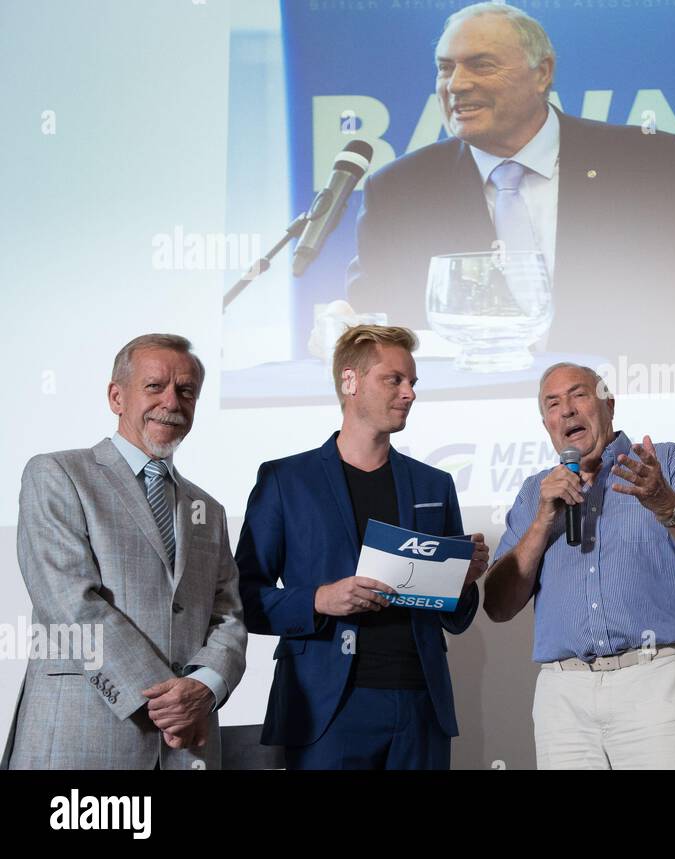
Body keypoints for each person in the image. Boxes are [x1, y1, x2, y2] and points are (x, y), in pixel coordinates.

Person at [344, 2, 675, 392]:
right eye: (445, 68)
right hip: (468, 438)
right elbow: (378, 344)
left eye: (481, 64)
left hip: (634, 431)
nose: (456, 84)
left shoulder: (650, 166)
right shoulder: (400, 192)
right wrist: (343, 340)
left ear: (542, 73)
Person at [236, 325, 489, 769]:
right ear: (349, 382)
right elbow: (242, 598)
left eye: (413, 383)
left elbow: (455, 617)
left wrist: (463, 581)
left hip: (419, 704)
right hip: (325, 708)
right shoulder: (284, 481)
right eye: (394, 380)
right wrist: (319, 599)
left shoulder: (435, 484)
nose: (409, 393)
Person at [3, 334, 246, 770]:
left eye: (186, 391)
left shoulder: (208, 509)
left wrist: (205, 688)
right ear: (117, 396)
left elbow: (227, 617)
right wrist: (170, 702)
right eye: (155, 386)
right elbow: (68, 603)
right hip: (83, 736)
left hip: (187, 748)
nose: (172, 401)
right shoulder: (57, 474)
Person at [483, 363, 675, 768]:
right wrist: (542, 521)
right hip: (563, 699)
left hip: (657, 683)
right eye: (553, 403)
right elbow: (498, 606)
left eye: (579, 395)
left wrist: (664, 503)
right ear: (546, 422)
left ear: (609, 405)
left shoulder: (666, 464)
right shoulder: (535, 492)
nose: (566, 410)